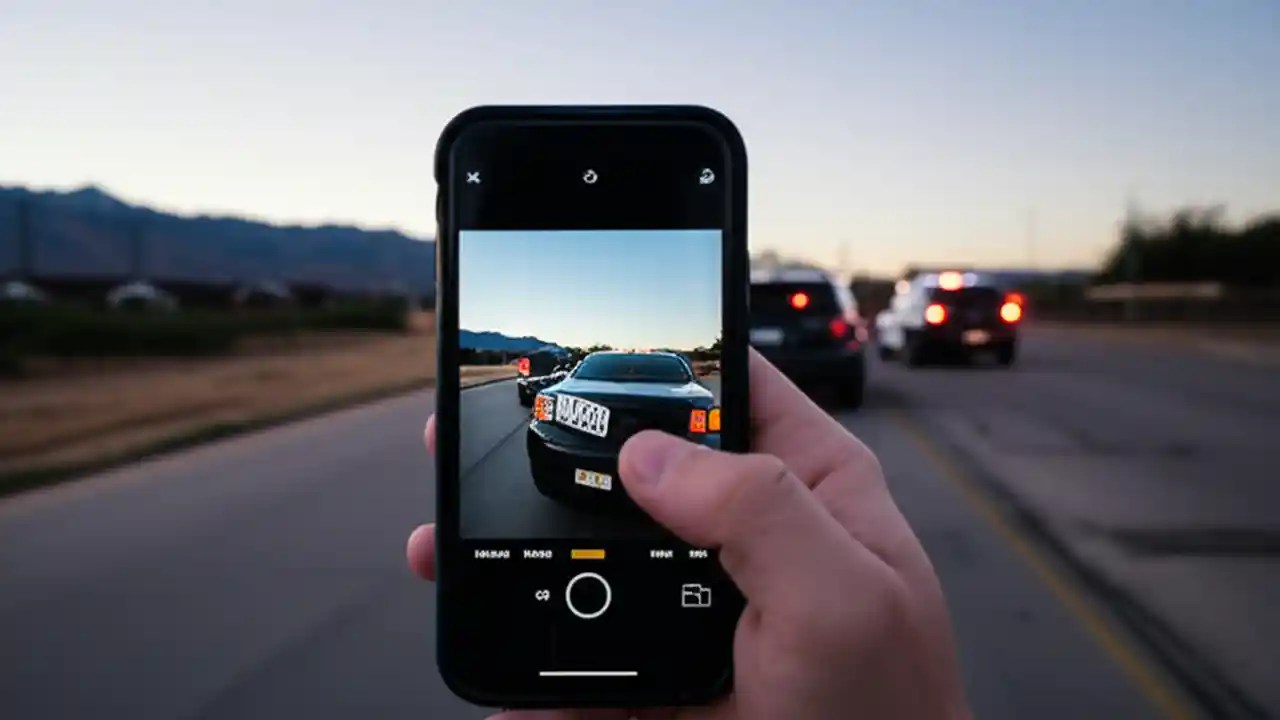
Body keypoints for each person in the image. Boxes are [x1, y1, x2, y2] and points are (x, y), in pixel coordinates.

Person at [407, 350, 972, 719]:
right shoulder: (626, 390)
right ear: (572, 377)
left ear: (700, 375)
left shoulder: (693, 395)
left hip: (576, 453)